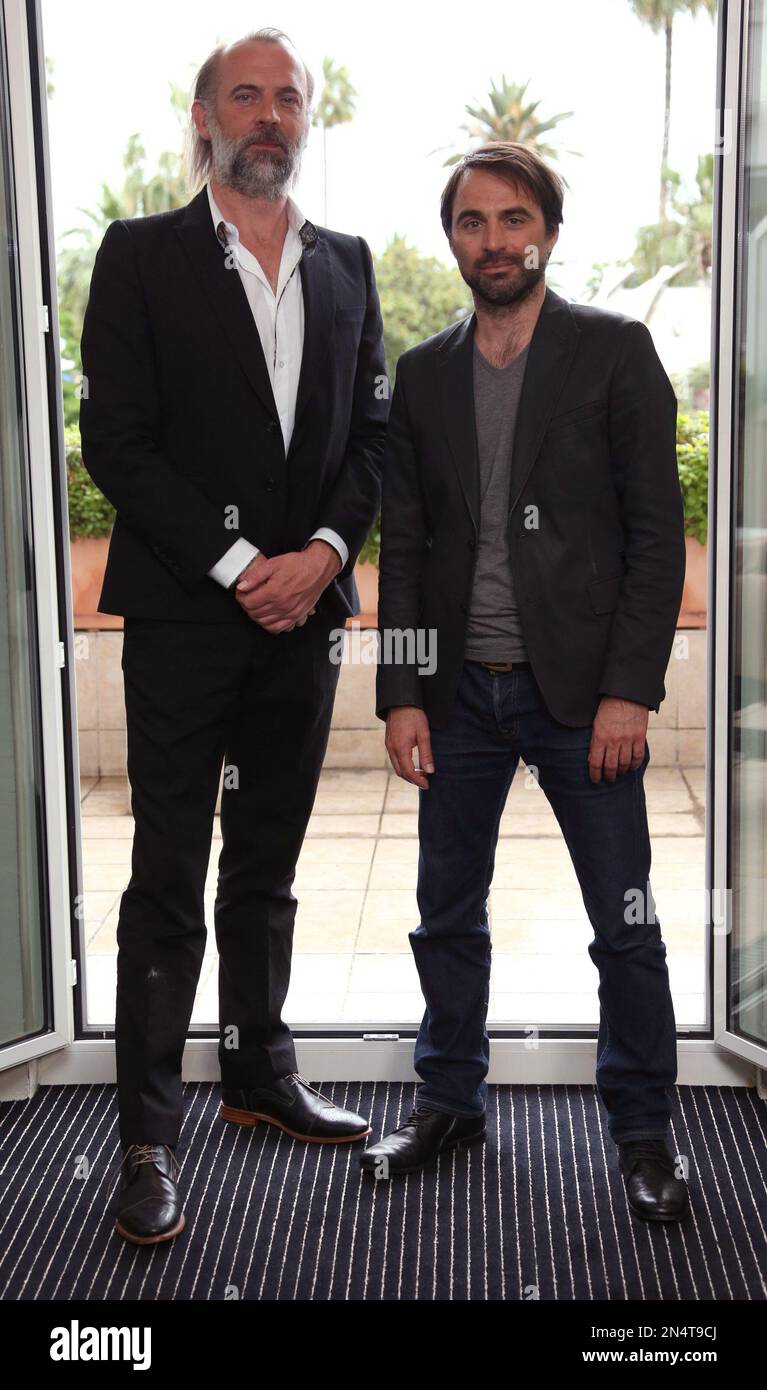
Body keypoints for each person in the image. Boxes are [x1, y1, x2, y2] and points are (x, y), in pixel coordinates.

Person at [79, 28, 388, 1245]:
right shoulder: (139, 255)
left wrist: (318, 556)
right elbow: (119, 443)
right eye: (245, 97)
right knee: (166, 879)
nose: (268, 116)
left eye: (287, 99)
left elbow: (370, 444)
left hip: (302, 619)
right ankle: (146, 1137)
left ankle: (260, 1075)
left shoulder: (346, 262)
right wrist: (233, 561)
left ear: (306, 121)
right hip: (183, 622)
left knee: (264, 863)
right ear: (204, 116)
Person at [364, 143, 689, 1224]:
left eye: (511, 220)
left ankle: (641, 1129)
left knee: (624, 923)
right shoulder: (421, 373)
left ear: (545, 230)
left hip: (579, 698)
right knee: (443, 913)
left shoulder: (613, 351)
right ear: (449, 235)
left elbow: (656, 536)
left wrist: (626, 692)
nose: (492, 241)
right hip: (456, 696)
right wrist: (403, 690)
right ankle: (450, 1099)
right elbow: (403, 543)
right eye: (471, 221)